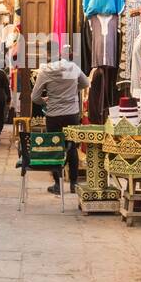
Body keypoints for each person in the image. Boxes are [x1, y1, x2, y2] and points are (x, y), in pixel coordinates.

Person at [30, 42, 89, 193]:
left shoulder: (45, 71)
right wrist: (71, 92)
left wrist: (45, 100)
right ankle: (74, 183)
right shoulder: (72, 67)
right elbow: (85, 83)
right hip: (72, 114)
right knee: (72, 148)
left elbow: (35, 97)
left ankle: (57, 184)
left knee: (55, 147)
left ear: (49, 54)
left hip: (54, 115)